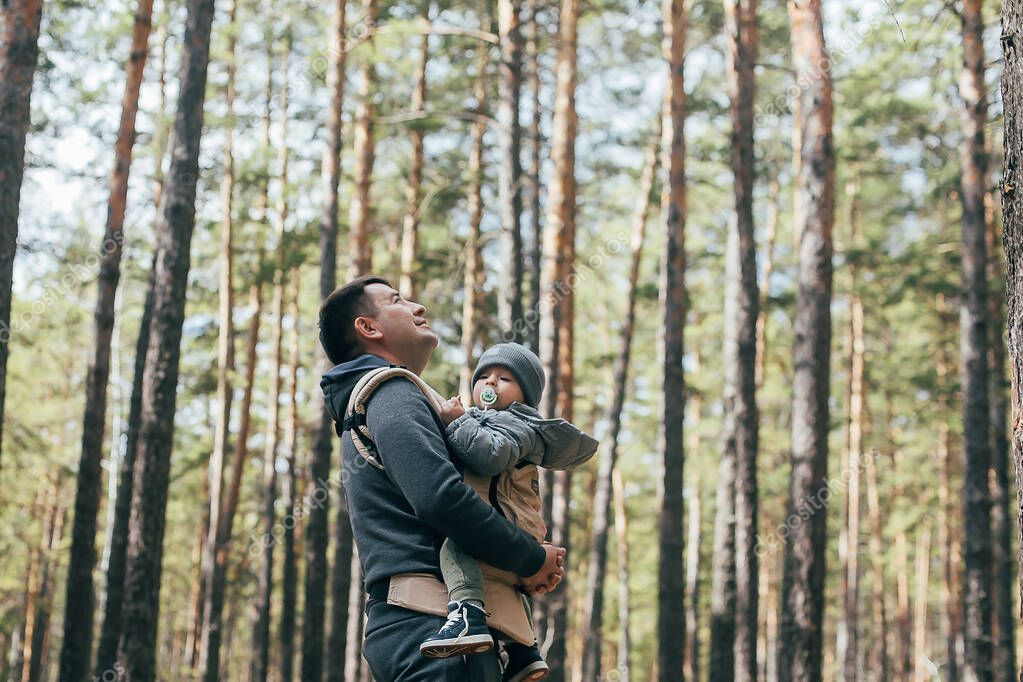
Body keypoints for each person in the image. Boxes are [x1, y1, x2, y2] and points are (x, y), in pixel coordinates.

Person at [318, 276, 566, 681]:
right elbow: (441, 498)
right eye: (397, 301)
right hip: (429, 624)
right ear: (368, 327)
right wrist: (530, 558)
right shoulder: (390, 392)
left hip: (435, 627)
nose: (418, 307)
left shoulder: (392, 396)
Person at [420, 342, 598, 682]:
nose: (490, 382)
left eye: (504, 378)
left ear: (525, 396)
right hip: (514, 521)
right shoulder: (490, 420)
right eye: (484, 376)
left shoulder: (517, 423)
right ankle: (523, 651)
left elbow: (490, 456)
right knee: (507, 584)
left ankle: (466, 616)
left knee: (456, 549)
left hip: (504, 520)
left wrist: (457, 422)